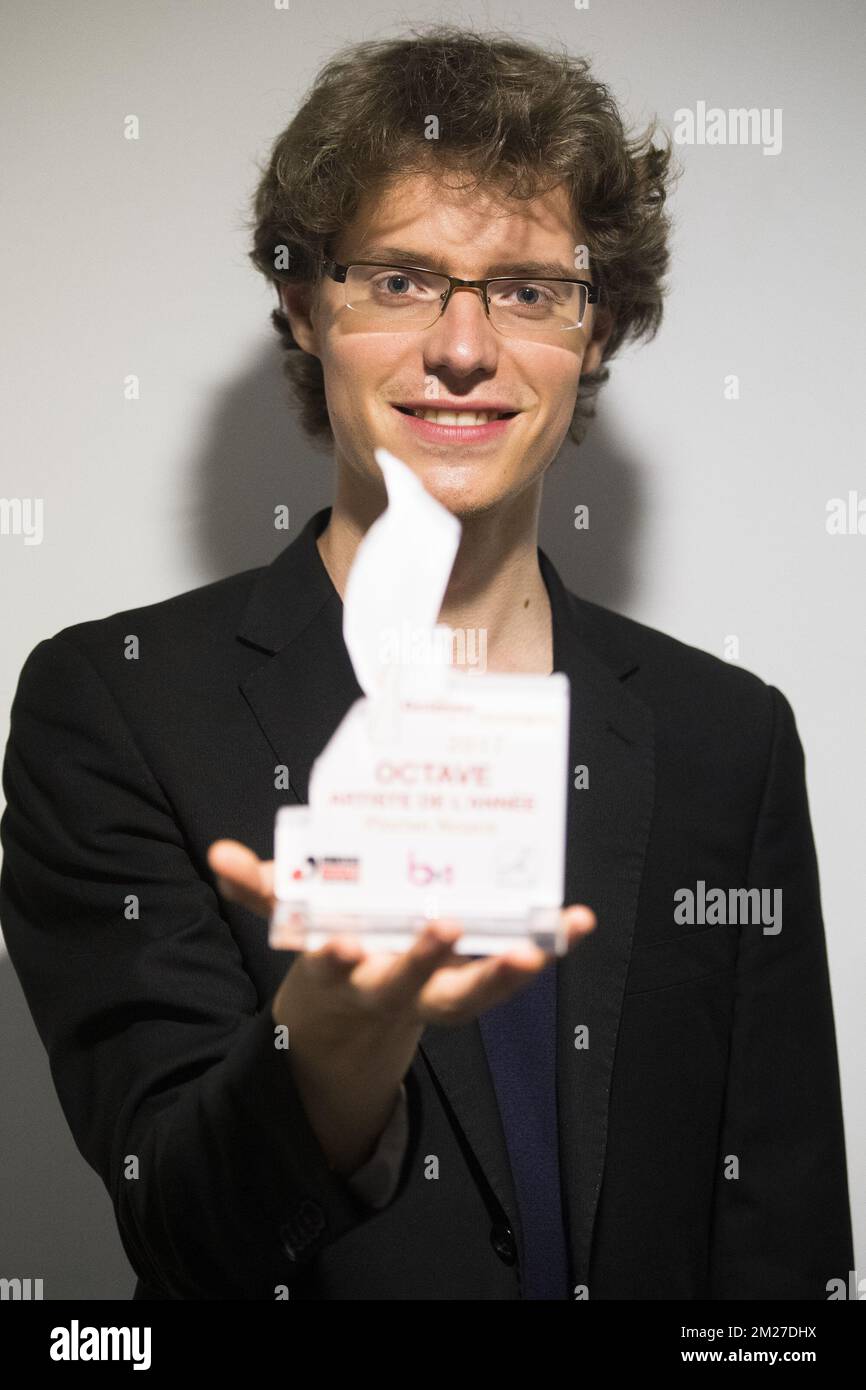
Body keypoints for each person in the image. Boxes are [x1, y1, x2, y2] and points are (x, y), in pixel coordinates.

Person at [0, 26, 853, 1301]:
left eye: (525, 288)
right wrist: (332, 1040)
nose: (463, 347)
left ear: (598, 329)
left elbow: (776, 1241)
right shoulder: (114, 704)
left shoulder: (725, 732)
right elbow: (179, 1223)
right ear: (303, 307)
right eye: (398, 279)